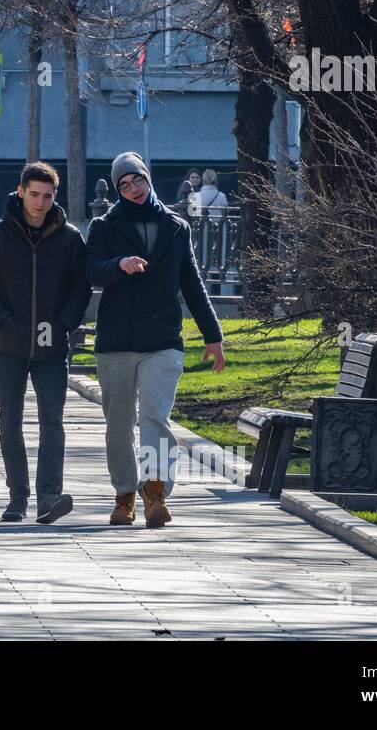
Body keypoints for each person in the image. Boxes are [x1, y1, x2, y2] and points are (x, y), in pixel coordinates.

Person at [86, 153, 225, 528]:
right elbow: (91, 271)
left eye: (137, 180)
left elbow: (192, 284)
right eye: (124, 185)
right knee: (118, 423)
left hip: (162, 338)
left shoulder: (176, 227)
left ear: (147, 178)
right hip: (116, 340)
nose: (133, 189)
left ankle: (155, 493)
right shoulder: (104, 226)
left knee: (154, 417)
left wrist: (213, 335)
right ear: (118, 190)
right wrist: (119, 265)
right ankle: (124, 495)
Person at [0, 162, 90, 524]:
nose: (40, 202)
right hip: (8, 344)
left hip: (52, 346)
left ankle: (49, 496)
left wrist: (65, 323)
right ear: (20, 192)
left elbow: (81, 287)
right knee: (10, 421)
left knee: (52, 421)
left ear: (55, 196)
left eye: (47, 196)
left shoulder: (69, 238)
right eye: (34, 194)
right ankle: (17, 497)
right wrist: (0, 317)